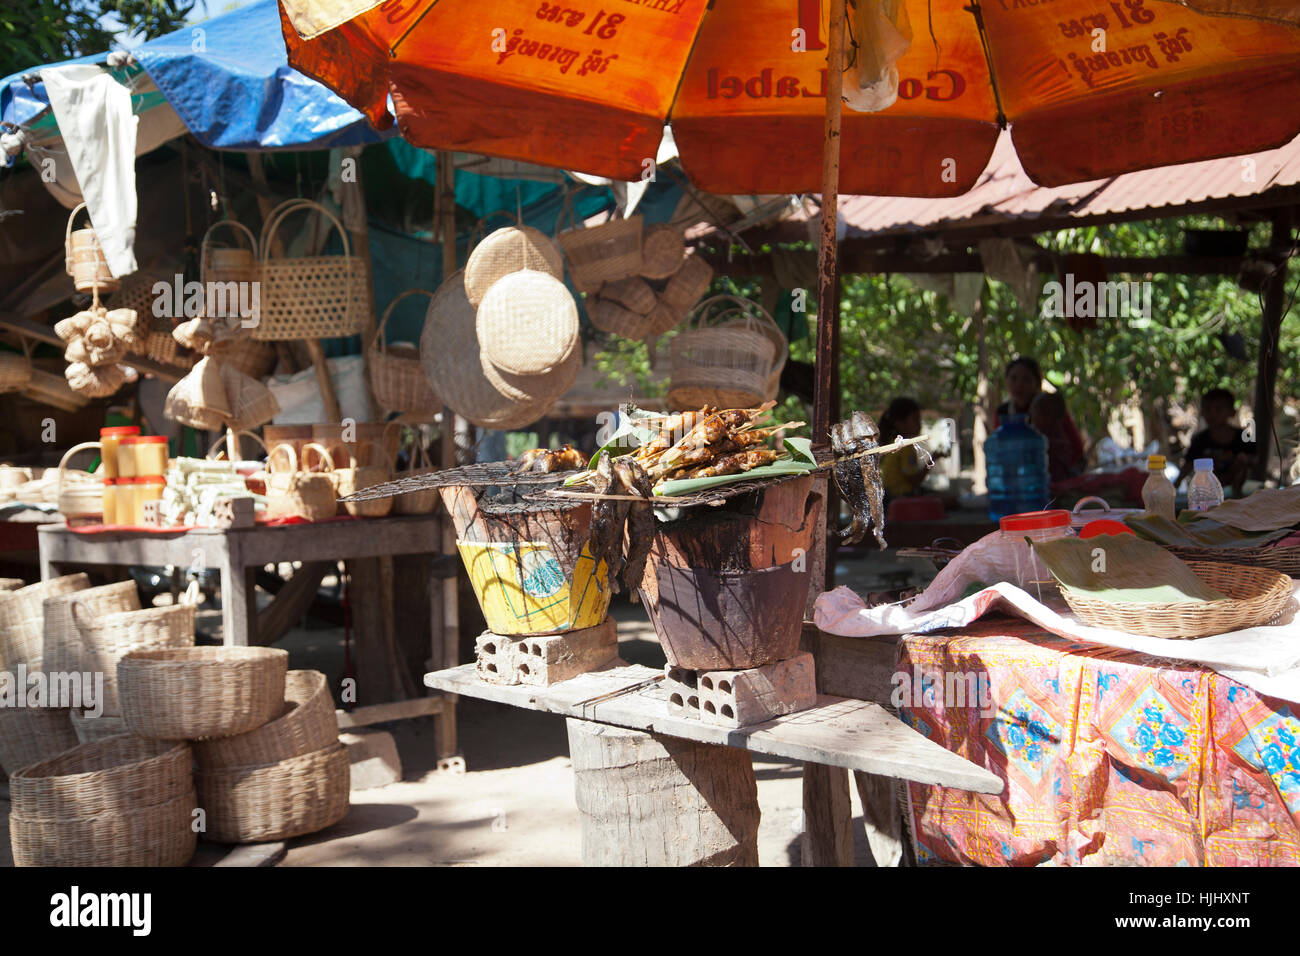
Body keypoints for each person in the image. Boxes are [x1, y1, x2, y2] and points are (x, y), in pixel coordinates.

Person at [995, 356, 1085, 479]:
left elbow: (1076, 449)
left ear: (1037, 383)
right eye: (1013, 378)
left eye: (1026, 379)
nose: (1019, 385)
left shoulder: (1050, 407)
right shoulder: (1003, 413)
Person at [1175, 387, 1255, 496]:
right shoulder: (1200, 440)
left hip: (1239, 492)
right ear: (1202, 412)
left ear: (1232, 412)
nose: (1212, 414)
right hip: (1208, 492)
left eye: (1218, 409)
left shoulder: (1243, 437)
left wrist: (1244, 461)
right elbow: (1188, 465)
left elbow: (1255, 462)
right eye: (1208, 409)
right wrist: (1174, 486)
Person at [1030, 391, 1084, 484]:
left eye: (1043, 413)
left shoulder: (1053, 442)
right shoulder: (1039, 434)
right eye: (1034, 413)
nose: (1035, 417)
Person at [879, 397, 927, 499]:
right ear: (900, 423)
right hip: (900, 498)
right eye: (915, 419)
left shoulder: (892, 444)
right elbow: (914, 480)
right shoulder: (904, 447)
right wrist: (934, 459)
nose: (919, 424)